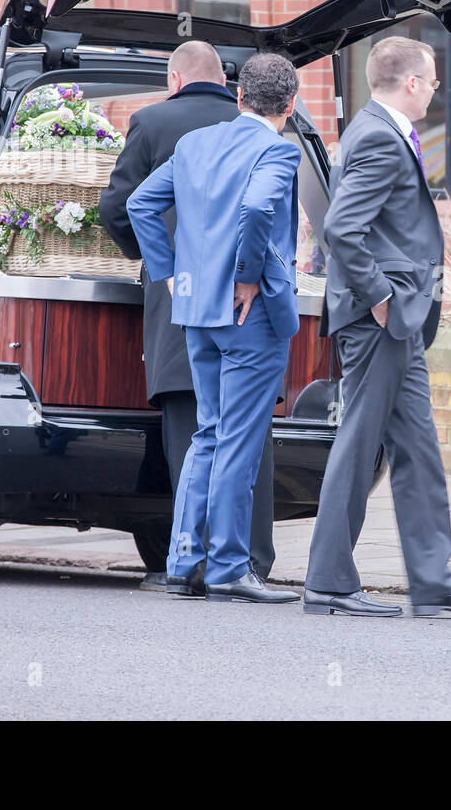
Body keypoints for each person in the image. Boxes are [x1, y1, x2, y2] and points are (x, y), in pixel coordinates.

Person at [303, 36, 451, 618]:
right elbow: (342, 229)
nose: (435, 91)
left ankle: (433, 580)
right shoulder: (378, 137)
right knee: (359, 443)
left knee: (418, 448)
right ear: (412, 83)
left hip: (398, 320)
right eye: (434, 81)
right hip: (379, 319)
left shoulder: (377, 130)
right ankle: (328, 582)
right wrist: (380, 297)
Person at [99, 41, 280, 595]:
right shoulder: (262, 132)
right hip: (248, 305)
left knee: (196, 428)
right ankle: (248, 561)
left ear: (174, 79)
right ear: (230, 85)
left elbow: (120, 206)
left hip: (186, 304)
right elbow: (267, 212)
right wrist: (251, 272)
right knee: (248, 435)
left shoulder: (155, 123)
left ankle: (189, 563)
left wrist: (164, 270)